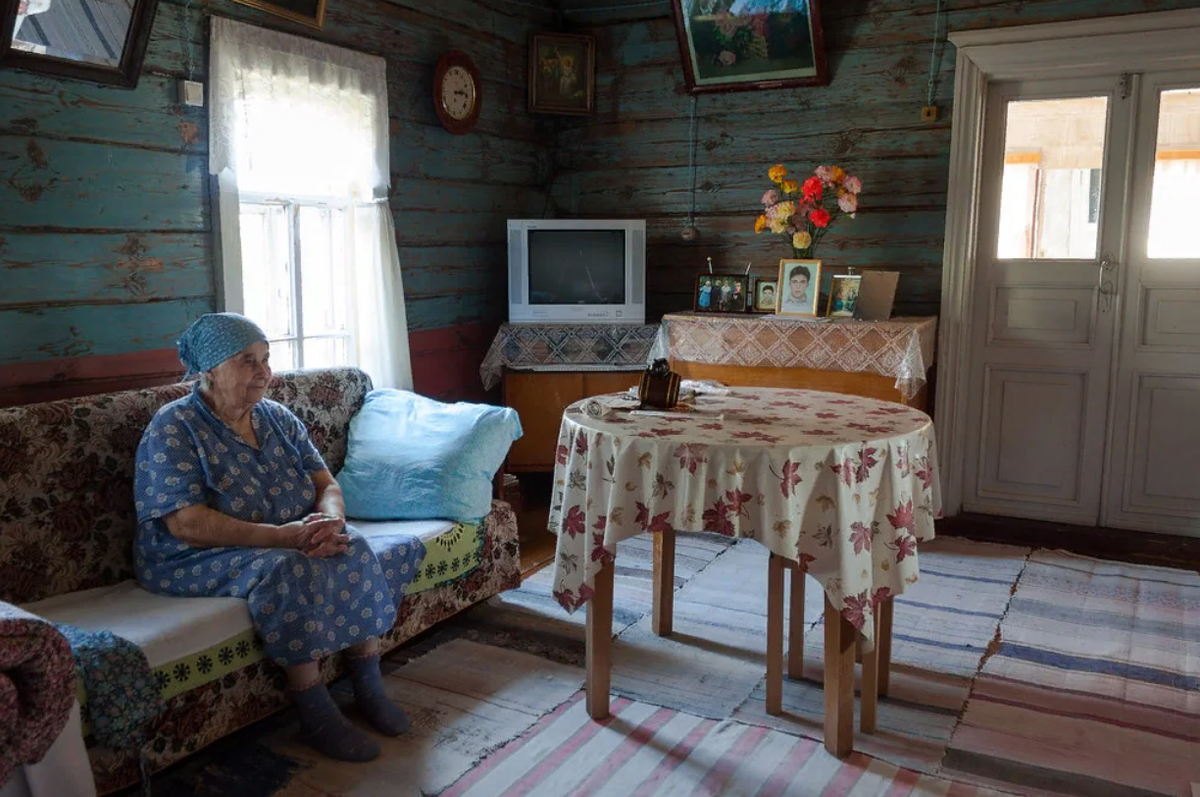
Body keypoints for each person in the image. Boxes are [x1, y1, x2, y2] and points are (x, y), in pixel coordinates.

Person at [133, 313, 424, 763]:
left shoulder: (277, 418)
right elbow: (185, 523)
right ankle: (314, 711)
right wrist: (283, 539)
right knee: (290, 568)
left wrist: (330, 521)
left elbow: (326, 484)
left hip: (286, 536)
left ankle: (368, 687)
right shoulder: (174, 427)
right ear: (210, 369)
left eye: (266, 359)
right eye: (247, 361)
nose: (264, 372)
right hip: (192, 554)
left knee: (354, 545)